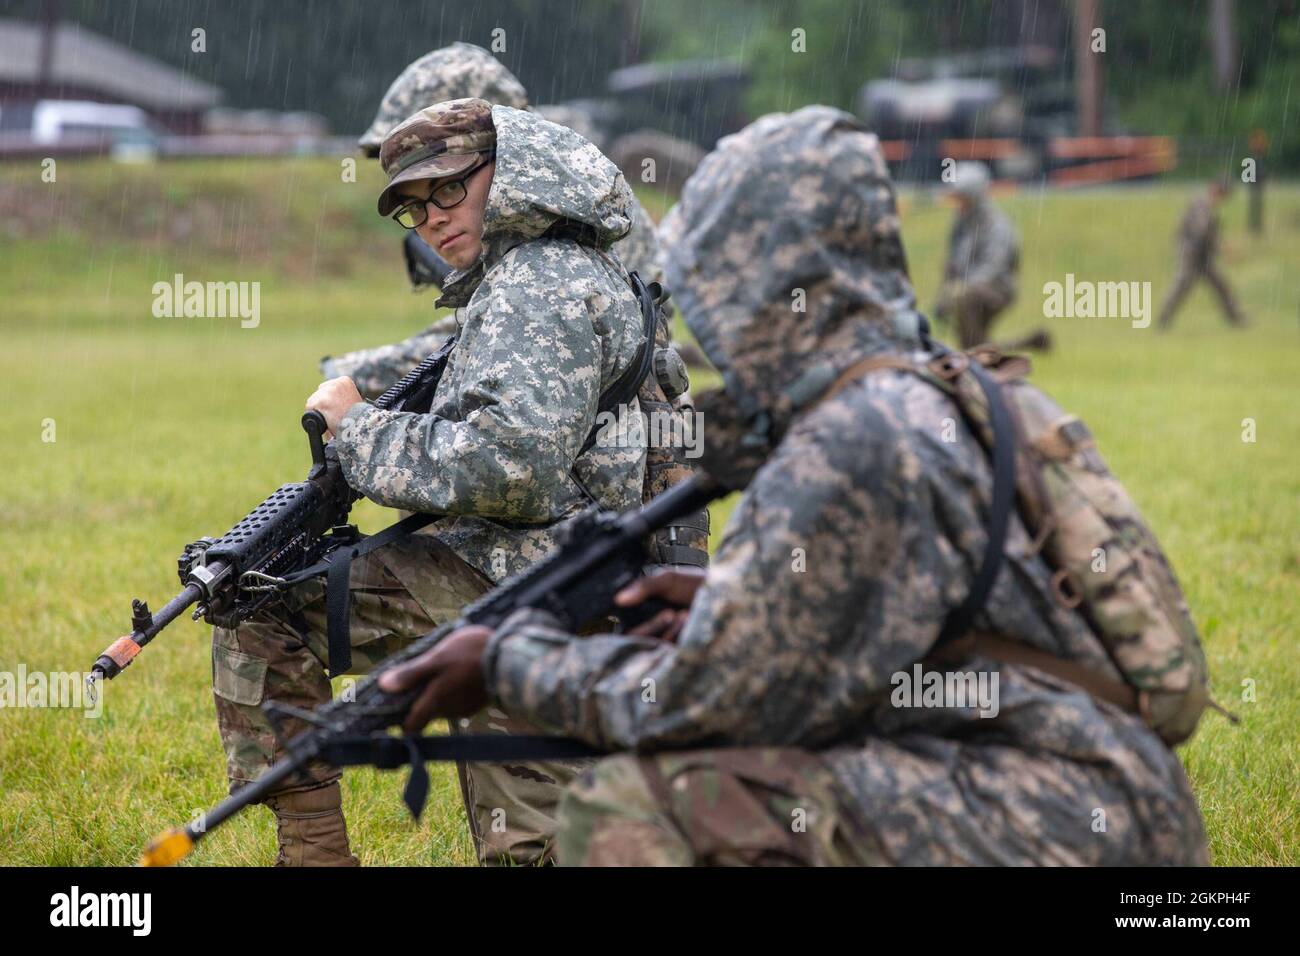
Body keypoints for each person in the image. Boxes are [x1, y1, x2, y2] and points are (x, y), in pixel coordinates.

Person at [377, 107, 1210, 866]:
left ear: (757, 273)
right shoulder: (966, 392)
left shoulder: (848, 442)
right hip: (1120, 809)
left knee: (643, 803)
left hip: (1043, 821)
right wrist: (720, 608)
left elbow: (697, 705)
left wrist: (507, 660)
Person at [212, 98, 648, 865]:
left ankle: (314, 858)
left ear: (509, 175)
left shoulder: (532, 285)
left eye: (451, 190)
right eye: (415, 209)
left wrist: (361, 430)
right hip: (563, 565)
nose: (436, 219)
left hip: (521, 568)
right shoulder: (550, 267)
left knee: (260, 609)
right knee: (534, 838)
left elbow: (511, 470)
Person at [324, 42, 666, 396]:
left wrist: (354, 378)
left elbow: (509, 337)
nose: (431, 216)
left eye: (443, 181)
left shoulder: (559, 221)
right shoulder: (551, 197)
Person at [935, 161, 1050, 352]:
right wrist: (943, 296)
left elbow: (992, 267)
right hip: (970, 290)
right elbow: (953, 264)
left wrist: (961, 290)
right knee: (974, 342)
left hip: (996, 290)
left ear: (974, 197)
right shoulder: (961, 225)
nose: (957, 203)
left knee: (971, 332)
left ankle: (977, 356)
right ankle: (1025, 343)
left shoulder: (997, 226)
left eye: (962, 197)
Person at [1157, 181, 1247, 330]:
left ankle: (1236, 318)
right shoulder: (1201, 204)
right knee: (1182, 284)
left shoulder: (1208, 206)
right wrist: (1222, 246)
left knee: (1221, 285)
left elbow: (1208, 232)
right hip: (1190, 251)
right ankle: (1163, 319)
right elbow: (1202, 230)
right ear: (1216, 191)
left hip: (1203, 254)